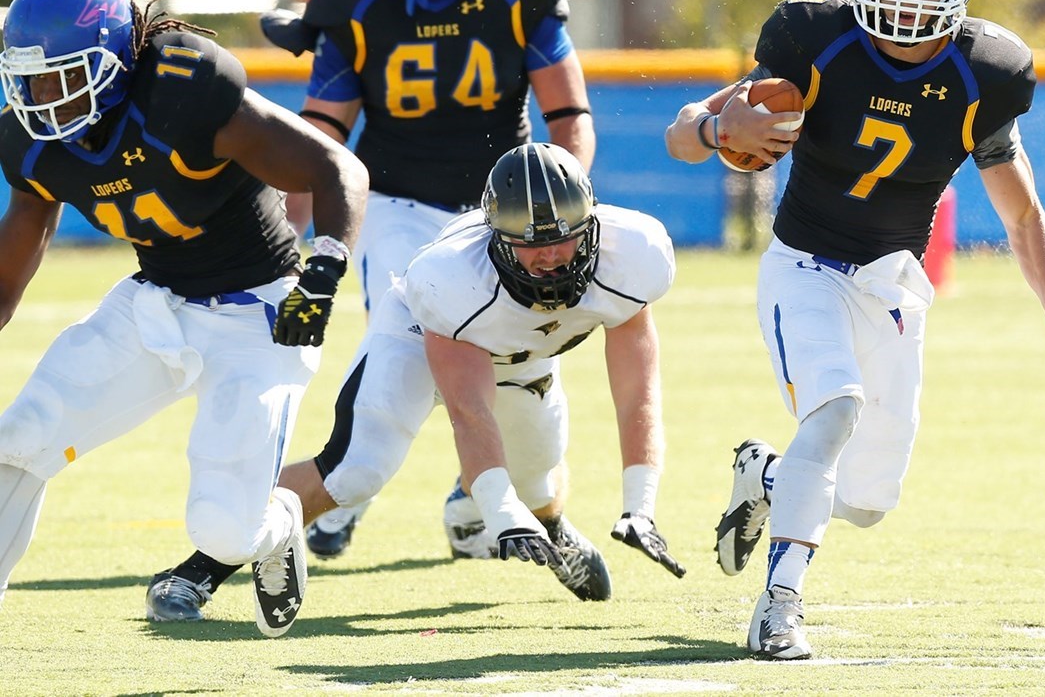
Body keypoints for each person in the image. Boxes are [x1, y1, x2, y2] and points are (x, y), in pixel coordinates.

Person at [665, 0, 1045, 660]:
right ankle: (780, 604)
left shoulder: (984, 73)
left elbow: (1023, 215)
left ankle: (766, 474)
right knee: (835, 409)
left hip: (893, 282)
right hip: (802, 266)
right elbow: (684, 132)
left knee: (863, 501)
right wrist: (711, 127)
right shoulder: (815, 38)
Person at [138, 142, 684, 622]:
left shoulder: (631, 254)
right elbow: (470, 412)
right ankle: (195, 571)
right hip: (427, 335)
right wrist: (497, 509)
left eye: (562, 239)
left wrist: (641, 502)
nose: (547, 258)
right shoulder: (452, 281)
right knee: (356, 468)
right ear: (496, 236)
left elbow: (637, 387)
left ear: (591, 223)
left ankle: (553, 527)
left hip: (526, 354)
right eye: (527, 243)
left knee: (537, 479)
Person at [257, 0, 596, 560]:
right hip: (395, 203)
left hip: (500, 210)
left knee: (510, 355)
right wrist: (294, 240)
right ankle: (348, 480)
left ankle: (471, 496)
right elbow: (321, 138)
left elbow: (568, 116)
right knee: (406, 342)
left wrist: (565, 206)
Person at [0, 0, 368, 638]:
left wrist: (326, 267)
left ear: (114, 62)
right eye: (30, 79)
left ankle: (278, 519)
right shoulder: (32, 145)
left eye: (62, 75)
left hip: (261, 311)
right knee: (18, 440)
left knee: (224, 529)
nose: (44, 98)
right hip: (154, 303)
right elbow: (5, 278)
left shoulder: (182, 96)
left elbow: (336, 168)